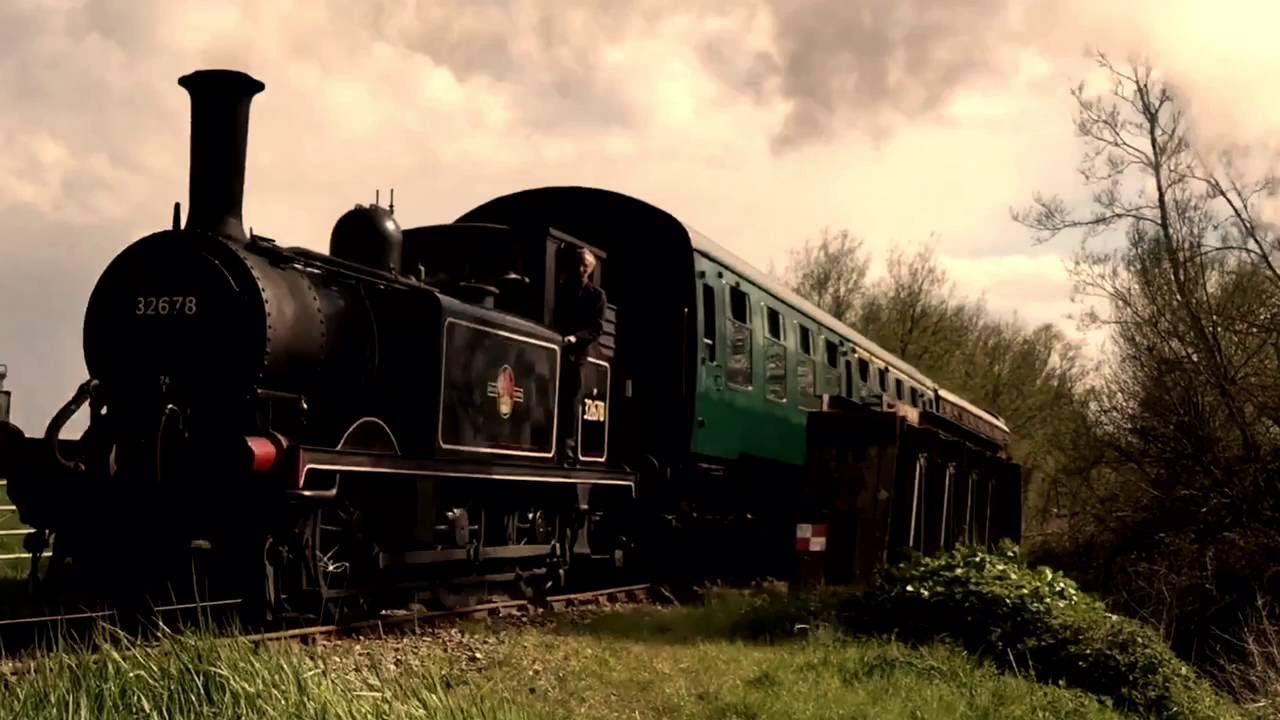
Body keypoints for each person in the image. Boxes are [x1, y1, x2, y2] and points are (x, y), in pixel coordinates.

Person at [553, 247, 606, 464]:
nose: (580, 269)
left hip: (578, 353)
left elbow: (597, 329)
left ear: (590, 270)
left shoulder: (597, 296)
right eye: (578, 264)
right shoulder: (563, 288)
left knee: (571, 400)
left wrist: (576, 338)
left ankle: (568, 449)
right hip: (559, 346)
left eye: (584, 266)